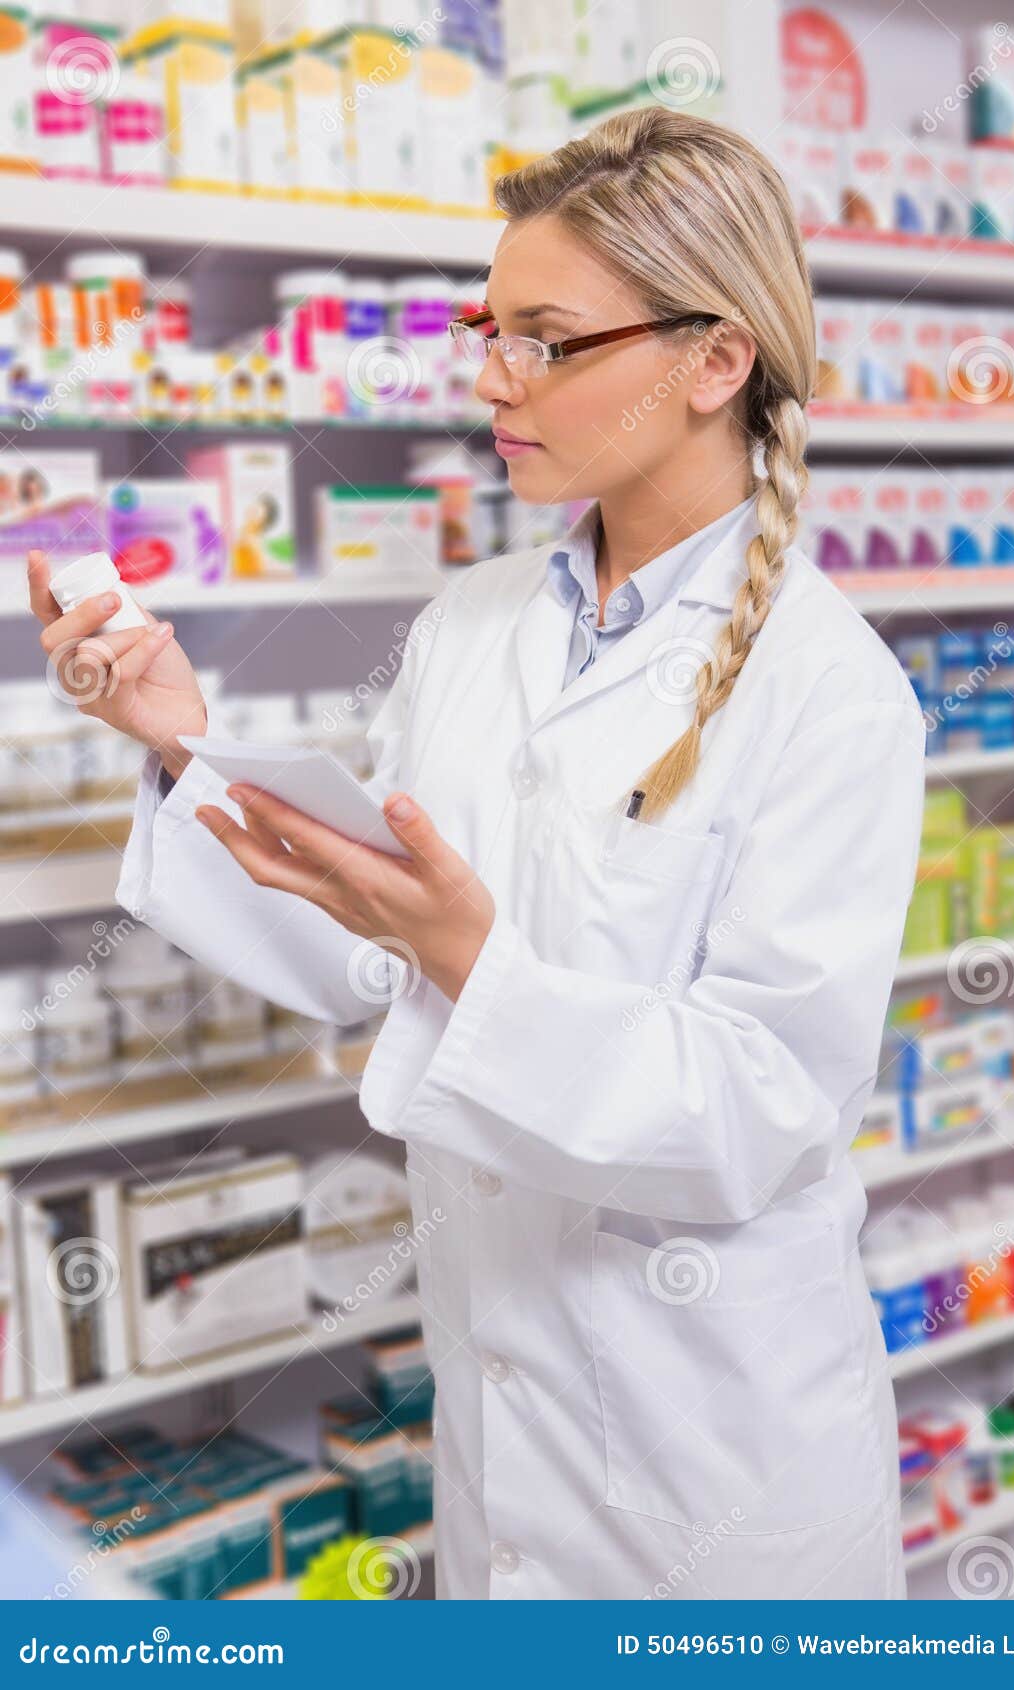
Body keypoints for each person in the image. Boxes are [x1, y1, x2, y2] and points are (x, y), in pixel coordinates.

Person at [28, 108, 926, 1601]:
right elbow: (362, 952)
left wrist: (471, 959)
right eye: (487, 328)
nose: (492, 377)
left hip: (720, 1481)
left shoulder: (832, 691)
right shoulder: (474, 621)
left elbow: (758, 1107)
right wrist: (188, 740)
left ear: (716, 361)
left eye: (548, 340)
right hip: (498, 1434)